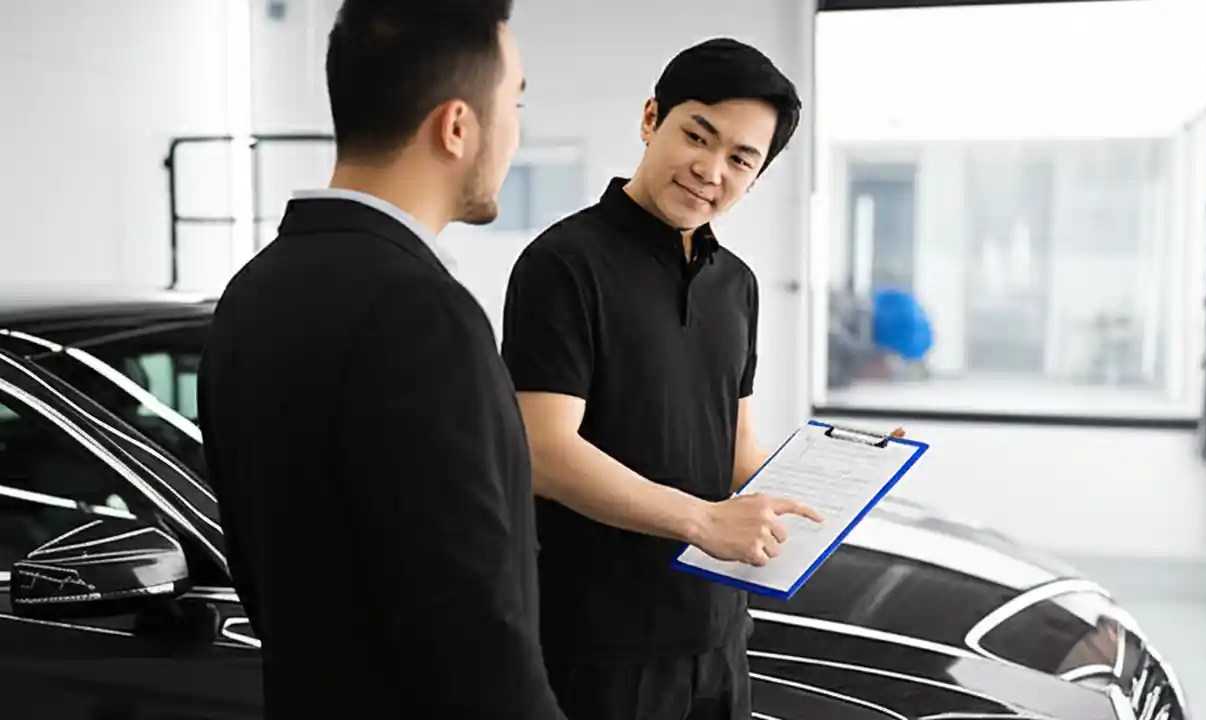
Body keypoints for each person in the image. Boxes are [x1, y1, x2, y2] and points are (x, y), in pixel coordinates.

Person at [197, 1, 564, 718]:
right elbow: (475, 636)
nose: (517, 131)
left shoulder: (253, 292)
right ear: (457, 126)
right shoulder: (421, 314)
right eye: (514, 102)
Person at [501, 38, 816, 720]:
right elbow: (542, 451)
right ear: (651, 119)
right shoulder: (563, 264)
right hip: (599, 650)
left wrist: (841, 476)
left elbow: (737, 456)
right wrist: (703, 520)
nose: (711, 170)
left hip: (719, 641)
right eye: (697, 136)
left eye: (741, 159)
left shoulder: (737, 284)